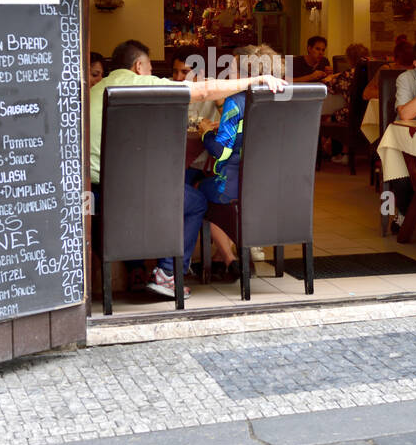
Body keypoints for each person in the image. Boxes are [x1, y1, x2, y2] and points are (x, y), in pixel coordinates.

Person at [89, 39, 286, 299]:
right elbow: (203, 93)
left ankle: (158, 267)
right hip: (135, 194)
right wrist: (255, 81)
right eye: (150, 70)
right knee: (193, 199)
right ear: (139, 66)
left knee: (185, 189)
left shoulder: (94, 90)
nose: (153, 76)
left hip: (94, 193)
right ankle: (169, 274)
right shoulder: (139, 83)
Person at [191, 45, 285, 276]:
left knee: (197, 191)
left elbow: (221, 152)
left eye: (232, 70)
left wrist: (205, 131)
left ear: (247, 75)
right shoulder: (283, 98)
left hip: (234, 188)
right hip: (273, 188)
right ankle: (224, 259)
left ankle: (229, 258)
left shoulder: (236, 101)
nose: (228, 76)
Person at [321, 42, 370, 161]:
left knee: (331, 117)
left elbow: (328, 87)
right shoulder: (372, 71)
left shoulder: (346, 75)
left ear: (349, 59)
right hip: (368, 113)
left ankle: (340, 153)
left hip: (352, 113)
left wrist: (330, 77)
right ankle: (344, 152)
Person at [172, 45, 219, 127]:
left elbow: (231, 120)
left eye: (185, 72)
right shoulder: (166, 86)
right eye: (175, 72)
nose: (178, 78)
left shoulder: (213, 86)